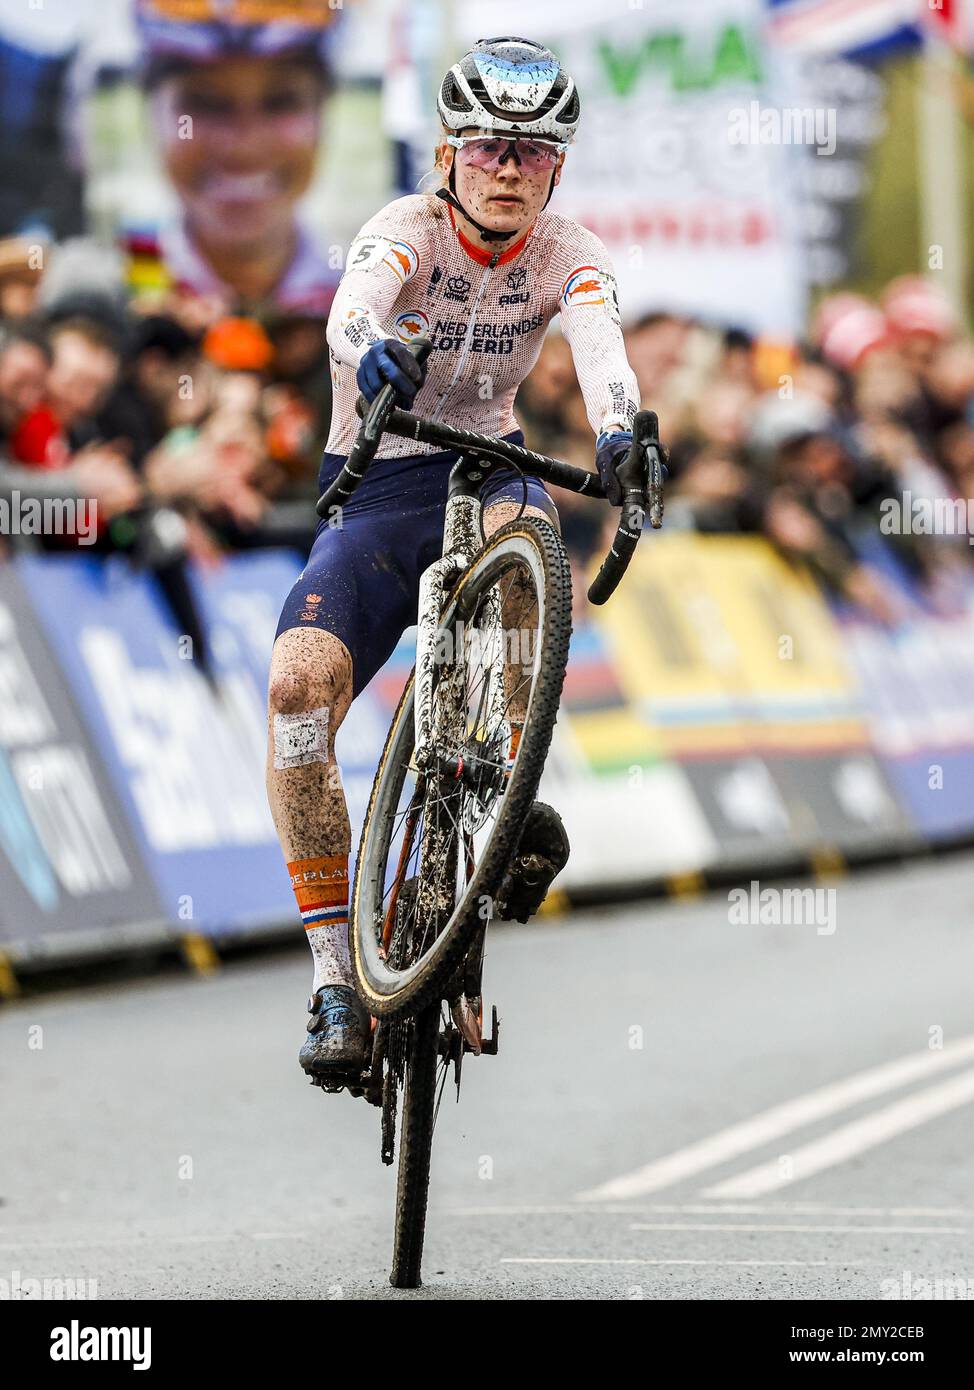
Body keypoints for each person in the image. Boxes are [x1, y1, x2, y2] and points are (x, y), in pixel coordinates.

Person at [266, 37, 647, 1080]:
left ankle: (497, 797)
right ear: (447, 154)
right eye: (487, 148)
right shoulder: (401, 229)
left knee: (531, 566)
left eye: (533, 151)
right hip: (380, 481)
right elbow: (353, 308)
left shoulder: (571, 248)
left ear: (557, 167)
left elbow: (602, 350)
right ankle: (336, 978)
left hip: (490, 470)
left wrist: (621, 430)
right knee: (299, 697)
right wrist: (369, 346)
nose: (509, 168)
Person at [133, 0, 342, 317]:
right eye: (205, 103)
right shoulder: (108, 294)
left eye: (280, 102)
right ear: (150, 117)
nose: (244, 146)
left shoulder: (378, 298)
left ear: (324, 116)